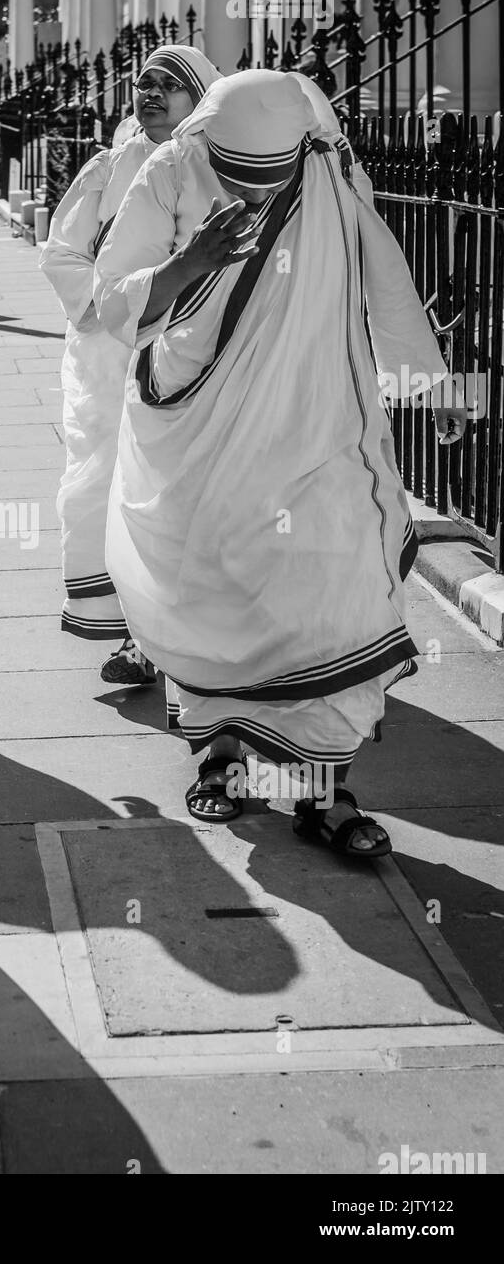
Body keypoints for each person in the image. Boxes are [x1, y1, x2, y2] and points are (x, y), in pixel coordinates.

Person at [94, 69, 468, 855]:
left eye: (269, 177)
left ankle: (319, 791)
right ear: (205, 142)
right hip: (201, 430)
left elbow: (385, 276)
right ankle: (221, 757)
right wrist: (190, 261)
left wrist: (429, 386)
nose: (254, 190)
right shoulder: (169, 170)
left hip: (318, 426)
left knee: (327, 590)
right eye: (236, 175)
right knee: (213, 588)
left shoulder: (328, 171)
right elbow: (110, 297)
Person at [40, 46, 221, 684]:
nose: (152, 92)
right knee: (106, 487)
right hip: (105, 353)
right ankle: (133, 633)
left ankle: (178, 646)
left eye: (171, 84)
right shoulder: (109, 166)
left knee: (168, 497)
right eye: (145, 82)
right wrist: (99, 302)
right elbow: (61, 246)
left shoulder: (213, 169)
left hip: (180, 354)